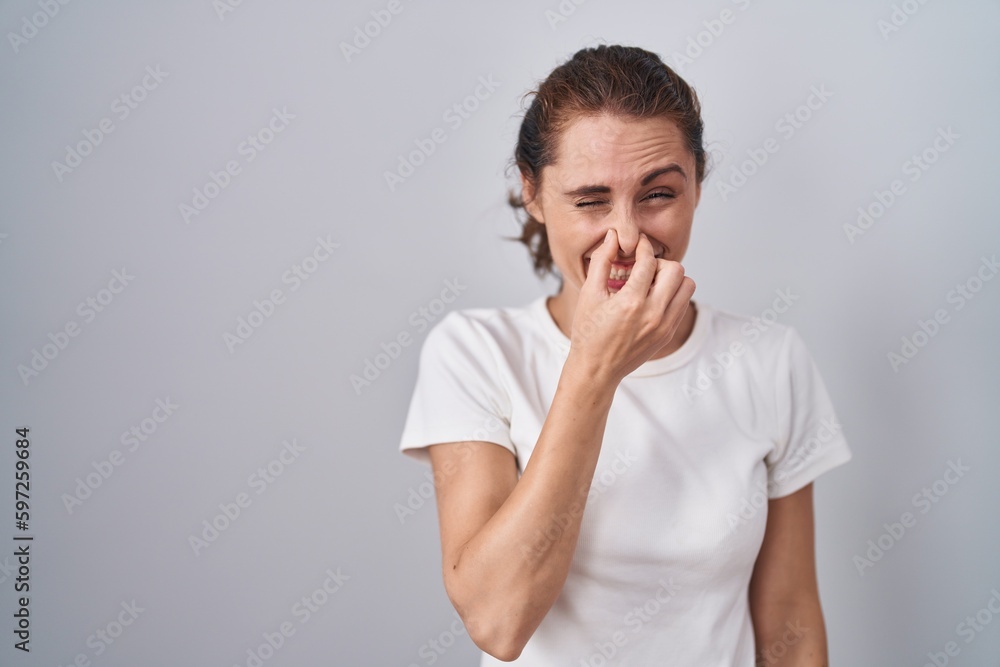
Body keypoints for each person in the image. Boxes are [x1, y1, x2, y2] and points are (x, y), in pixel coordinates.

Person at [398, 44, 852, 666]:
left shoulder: (770, 360)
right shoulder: (475, 353)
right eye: (589, 201)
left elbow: (790, 620)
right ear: (532, 193)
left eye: (658, 193)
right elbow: (497, 619)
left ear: (697, 182)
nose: (628, 237)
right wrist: (594, 368)